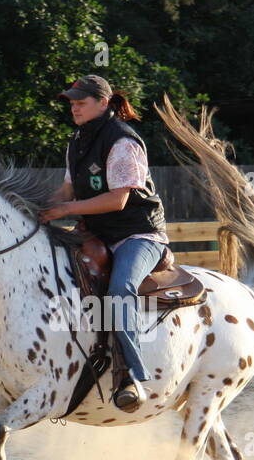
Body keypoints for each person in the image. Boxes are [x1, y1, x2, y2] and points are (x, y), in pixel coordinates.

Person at [38, 74, 170, 412]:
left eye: (81, 102)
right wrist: (37, 206)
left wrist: (64, 210)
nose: (74, 107)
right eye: (72, 102)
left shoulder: (124, 141)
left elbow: (118, 200)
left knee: (120, 288)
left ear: (103, 103)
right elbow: (66, 191)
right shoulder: (77, 140)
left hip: (137, 234)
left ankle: (131, 375)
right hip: (97, 233)